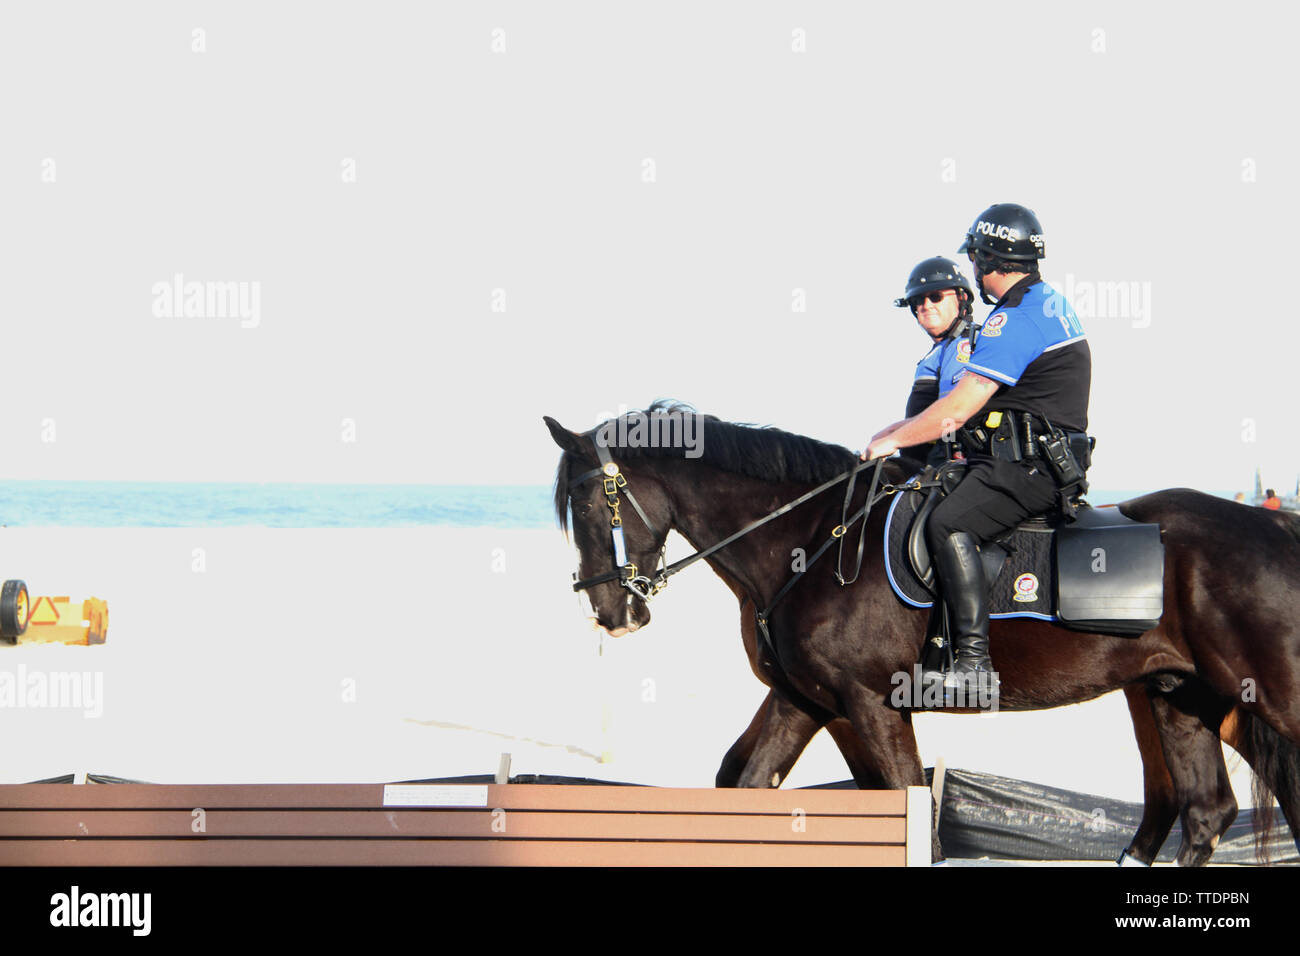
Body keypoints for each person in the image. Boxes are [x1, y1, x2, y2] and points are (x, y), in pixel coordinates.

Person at [863, 204, 1092, 698]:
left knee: (950, 523)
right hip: (1029, 458)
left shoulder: (1012, 320)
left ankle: (972, 665)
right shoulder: (1042, 303)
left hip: (1030, 466)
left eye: (975, 258)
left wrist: (892, 440)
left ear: (987, 259)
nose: (973, 266)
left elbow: (956, 411)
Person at [887, 256, 978, 470]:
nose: (926, 305)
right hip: (926, 467)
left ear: (961, 297)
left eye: (936, 297)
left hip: (951, 469)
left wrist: (892, 440)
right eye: (918, 300)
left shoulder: (964, 345)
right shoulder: (941, 350)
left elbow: (954, 413)